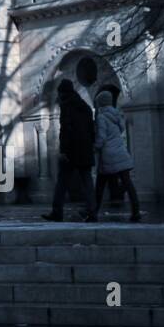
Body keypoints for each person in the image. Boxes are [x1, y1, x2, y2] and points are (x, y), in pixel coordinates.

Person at [43, 79, 97, 222]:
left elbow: (66, 130)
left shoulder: (66, 106)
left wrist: (63, 150)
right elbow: (92, 129)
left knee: (62, 181)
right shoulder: (84, 106)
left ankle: (57, 211)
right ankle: (92, 212)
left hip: (71, 151)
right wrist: (91, 144)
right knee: (87, 181)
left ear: (62, 93)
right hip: (85, 149)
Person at [92, 90, 141, 222]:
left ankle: (93, 213)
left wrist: (95, 147)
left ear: (100, 103)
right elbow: (120, 131)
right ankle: (136, 211)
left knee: (99, 187)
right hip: (121, 152)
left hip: (108, 155)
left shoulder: (101, 117)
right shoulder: (117, 115)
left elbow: (102, 137)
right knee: (128, 183)